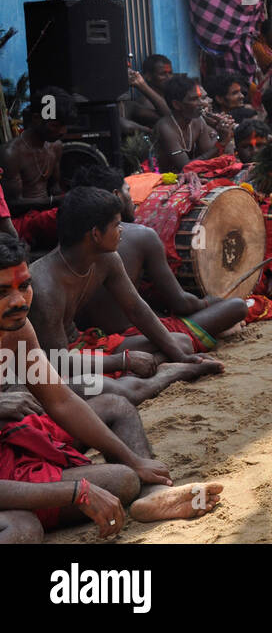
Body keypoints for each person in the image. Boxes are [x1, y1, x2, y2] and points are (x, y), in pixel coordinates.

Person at [0, 235, 223, 542]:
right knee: (31, 526)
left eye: (23, 286)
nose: (18, 301)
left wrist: (134, 460)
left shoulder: (18, 328)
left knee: (117, 407)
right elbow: (66, 363)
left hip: (14, 444)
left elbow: (60, 400)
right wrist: (76, 491)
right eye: (2, 292)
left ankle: (154, 494)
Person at [27, 188, 223, 404]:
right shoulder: (44, 287)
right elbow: (59, 363)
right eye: (116, 225)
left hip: (84, 346)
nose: (121, 230)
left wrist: (182, 357)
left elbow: (136, 309)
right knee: (112, 389)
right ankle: (163, 374)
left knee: (181, 343)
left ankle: (146, 373)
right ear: (95, 234)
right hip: (52, 365)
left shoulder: (106, 258)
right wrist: (122, 361)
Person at [1, 89, 76, 247]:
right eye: (55, 125)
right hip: (21, 223)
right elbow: (12, 204)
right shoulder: (11, 153)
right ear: (36, 118)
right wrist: (56, 201)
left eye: (64, 126)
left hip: (46, 216)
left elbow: (55, 188)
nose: (62, 131)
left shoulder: (56, 146)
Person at [154, 75, 233, 173]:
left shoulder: (198, 121)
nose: (203, 103)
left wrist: (222, 135)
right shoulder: (165, 127)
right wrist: (221, 143)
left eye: (202, 98)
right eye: (194, 99)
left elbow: (207, 154)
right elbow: (185, 167)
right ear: (177, 105)